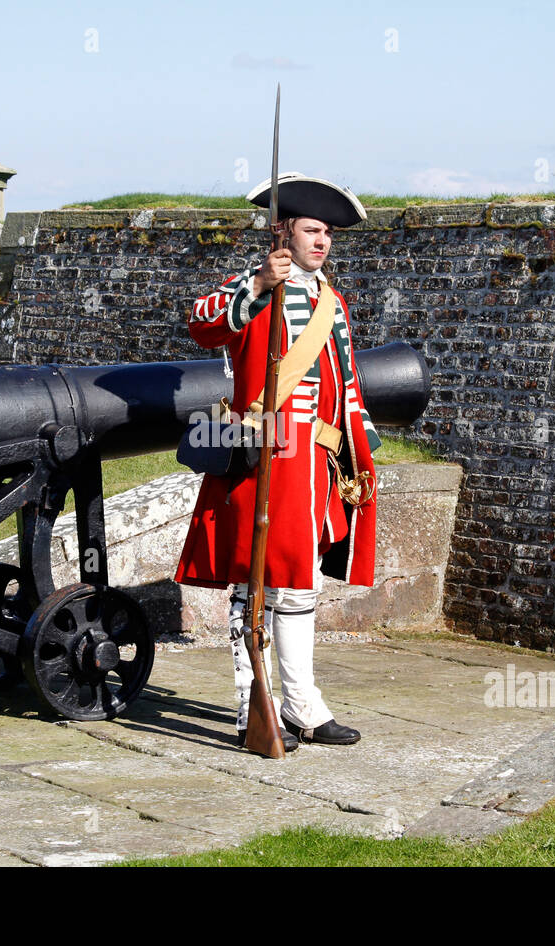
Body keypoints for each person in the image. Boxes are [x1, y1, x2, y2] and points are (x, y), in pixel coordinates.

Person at [174, 172, 381, 750]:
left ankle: (304, 706)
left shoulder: (331, 302)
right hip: (263, 455)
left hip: (312, 461)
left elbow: (347, 382)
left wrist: (357, 448)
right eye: (312, 230)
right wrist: (260, 284)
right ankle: (252, 708)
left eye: (328, 234)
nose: (323, 242)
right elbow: (201, 322)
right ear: (282, 231)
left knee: (300, 585)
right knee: (257, 586)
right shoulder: (254, 286)